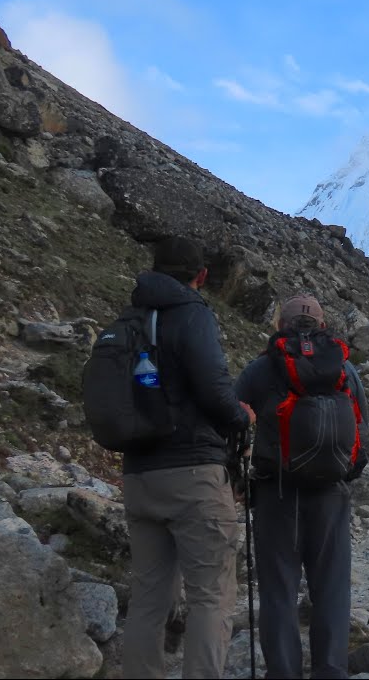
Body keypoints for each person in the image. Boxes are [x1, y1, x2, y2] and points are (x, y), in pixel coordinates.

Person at [121, 237, 255, 679]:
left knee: (147, 600)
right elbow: (216, 395)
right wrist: (242, 415)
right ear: (200, 277)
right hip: (193, 475)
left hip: (140, 475)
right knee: (210, 596)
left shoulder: (131, 317)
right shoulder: (194, 314)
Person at [235, 294, 369, 679]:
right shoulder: (343, 368)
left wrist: (241, 477)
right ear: (322, 325)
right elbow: (362, 428)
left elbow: (231, 417)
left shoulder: (262, 369)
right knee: (330, 587)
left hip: (276, 492)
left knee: (279, 589)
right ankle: (331, 670)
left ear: (281, 325)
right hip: (331, 491)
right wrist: (346, 473)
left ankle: (283, 672)